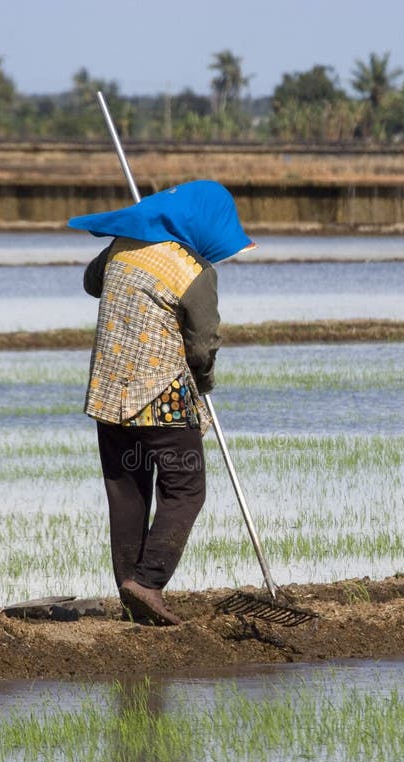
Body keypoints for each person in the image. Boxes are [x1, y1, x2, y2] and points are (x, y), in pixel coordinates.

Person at [68, 180, 254, 626]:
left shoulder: (121, 248)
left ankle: (132, 591)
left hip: (109, 395)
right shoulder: (194, 269)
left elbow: (92, 283)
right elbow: (202, 346)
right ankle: (148, 583)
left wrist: (134, 229)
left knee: (128, 491)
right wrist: (205, 384)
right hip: (163, 399)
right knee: (185, 489)